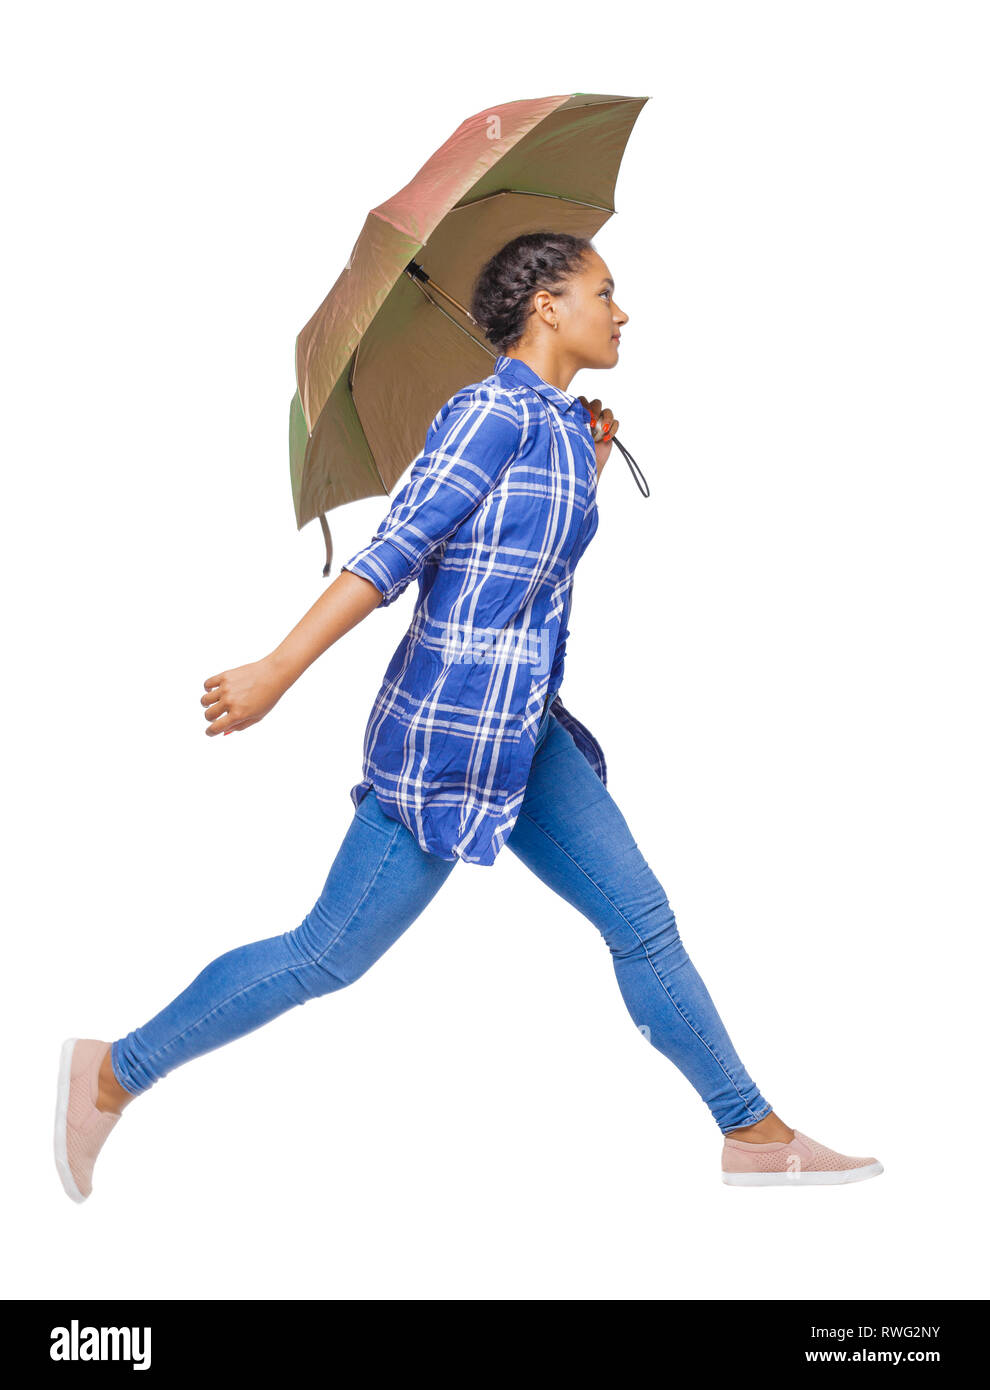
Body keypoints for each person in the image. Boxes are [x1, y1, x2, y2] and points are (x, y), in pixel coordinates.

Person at [54, 232, 883, 1201]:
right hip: (448, 741)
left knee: (644, 923)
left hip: (525, 736)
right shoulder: (487, 413)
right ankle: (111, 1072)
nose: (621, 310)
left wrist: (589, 471)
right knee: (327, 953)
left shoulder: (556, 426)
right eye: (603, 291)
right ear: (545, 305)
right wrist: (277, 668)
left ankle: (753, 1132)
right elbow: (394, 551)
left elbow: (520, 575)